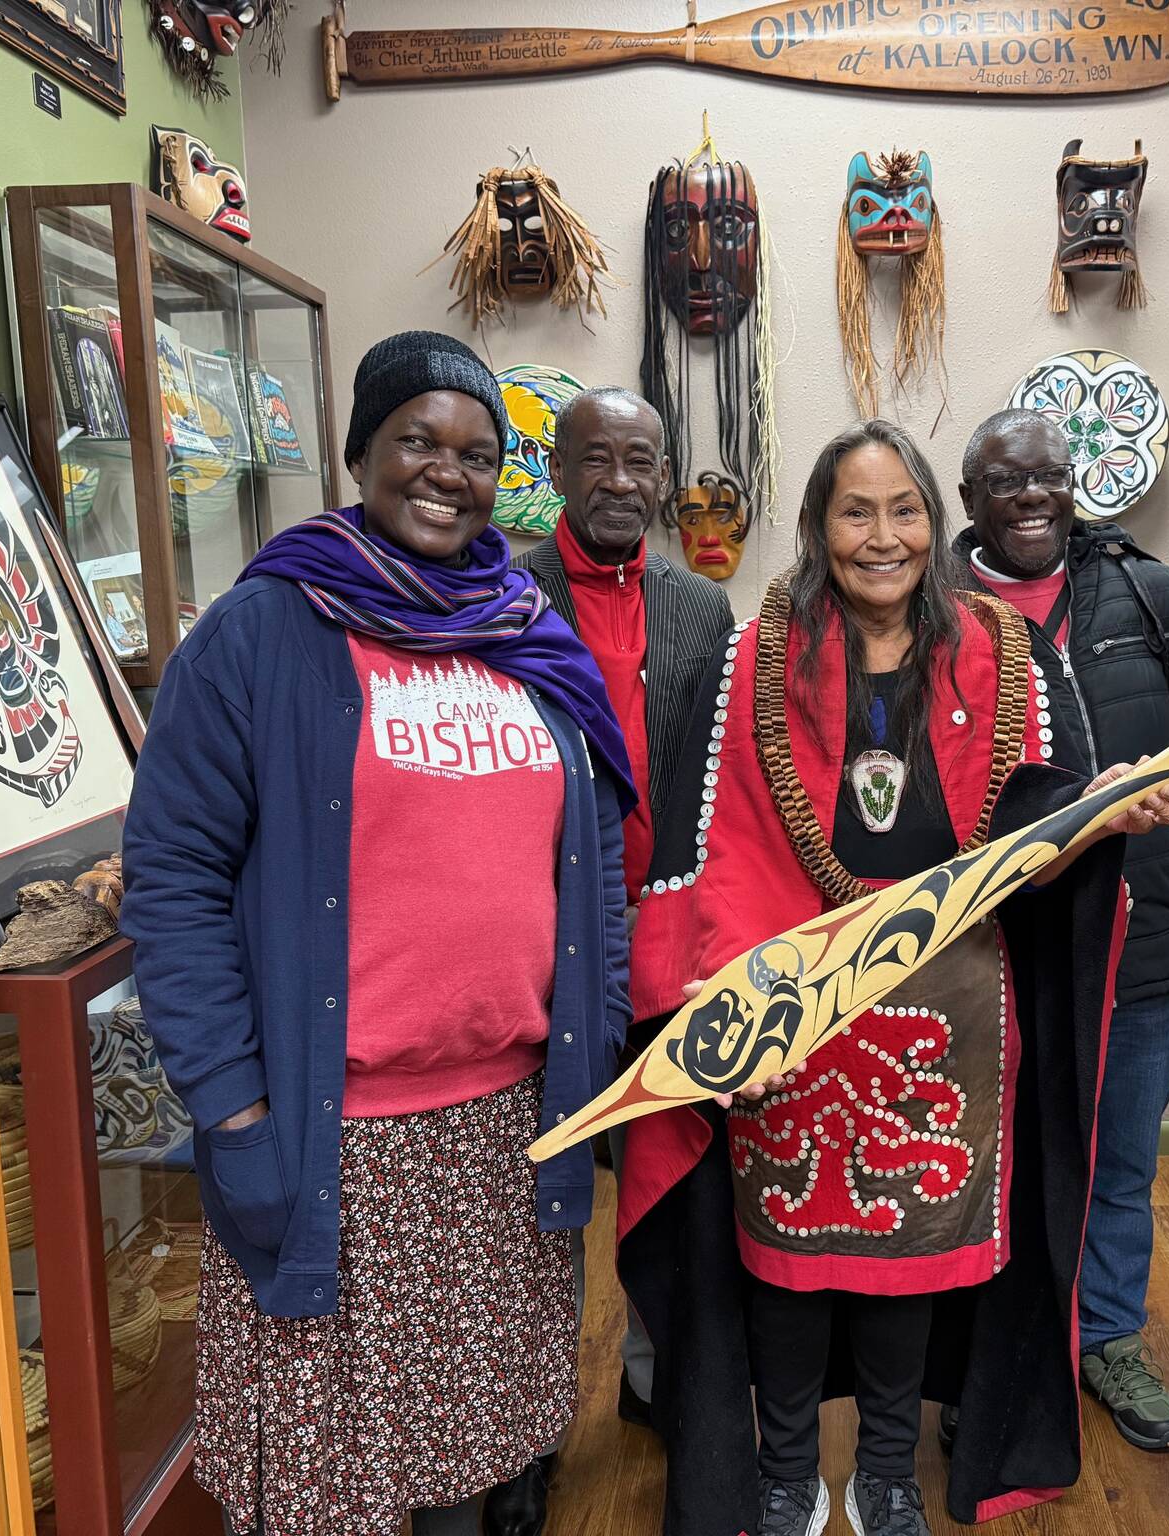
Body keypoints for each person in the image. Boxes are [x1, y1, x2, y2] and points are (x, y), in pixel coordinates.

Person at [617, 419, 1169, 1536]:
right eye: (855, 511)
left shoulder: (1005, 653)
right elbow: (719, 842)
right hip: (791, 1010)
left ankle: (886, 1471)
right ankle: (787, 1470)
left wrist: (1101, 811)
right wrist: (736, 1003)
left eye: (904, 510)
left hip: (950, 1019)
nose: (881, 536)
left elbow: (1030, 846)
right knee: (783, 1258)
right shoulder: (754, 655)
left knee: (914, 1260)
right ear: (817, 525)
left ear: (936, 521)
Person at [121, 331, 634, 1536]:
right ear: (360, 454)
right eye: (416, 440)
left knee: (467, 1470)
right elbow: (174, 879)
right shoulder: (262, 632)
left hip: (505, 1136)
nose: (446, 472)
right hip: (332, 1142)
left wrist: (600, 1032)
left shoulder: (526, 633)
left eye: (475, 453)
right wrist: (232, 1108)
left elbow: (597, 864)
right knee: (326, 1493)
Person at [952, 408, 1169, 1452]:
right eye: (1006, 481)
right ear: (968, 498)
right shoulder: (929, 609)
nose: (1031, 497)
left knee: (1120, 1164)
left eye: (1048, 476)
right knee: (987, 1167)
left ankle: (1108, 1337)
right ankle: (982, 1362)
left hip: (1144, 945)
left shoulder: (1152, 596)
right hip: (988, 957)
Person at [514, 385, 735, 1428]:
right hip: (541, 940)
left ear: (663, 479)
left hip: (665, 940)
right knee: (544, 1186)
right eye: (595, 458)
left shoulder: (701, 606)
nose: (617, 481)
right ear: (557, 471)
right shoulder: (505, 593)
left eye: (638, 461)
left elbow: (721, 777)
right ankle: (533, 1420)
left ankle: (656, 1381)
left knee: (667, 1172)